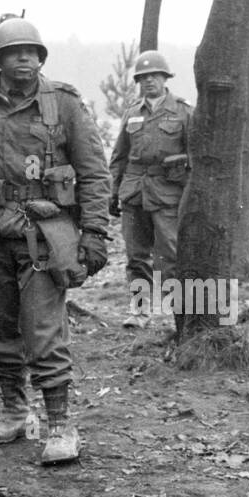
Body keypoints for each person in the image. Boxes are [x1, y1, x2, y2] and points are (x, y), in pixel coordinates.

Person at [0, 17, 111, 464]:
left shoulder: (64, 104)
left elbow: (94, 173)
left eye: (33, 52)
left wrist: (94, 232)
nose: (27, 59)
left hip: (43, 235)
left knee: (44, 330)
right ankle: (15, 411)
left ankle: (59, 424)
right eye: (16, 52)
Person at [108, 50, 192, 328]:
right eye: (143, 78)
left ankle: (177, 314)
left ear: (165, 78)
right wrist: (113, 191)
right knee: (136, 257)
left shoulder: (183, 111)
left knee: (170, 255)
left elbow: (195, 157)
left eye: (154, 76)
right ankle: (140, 311)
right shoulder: (132, 113)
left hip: (168, 193)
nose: (149, 82)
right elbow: (119, 156)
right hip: (134, 193)